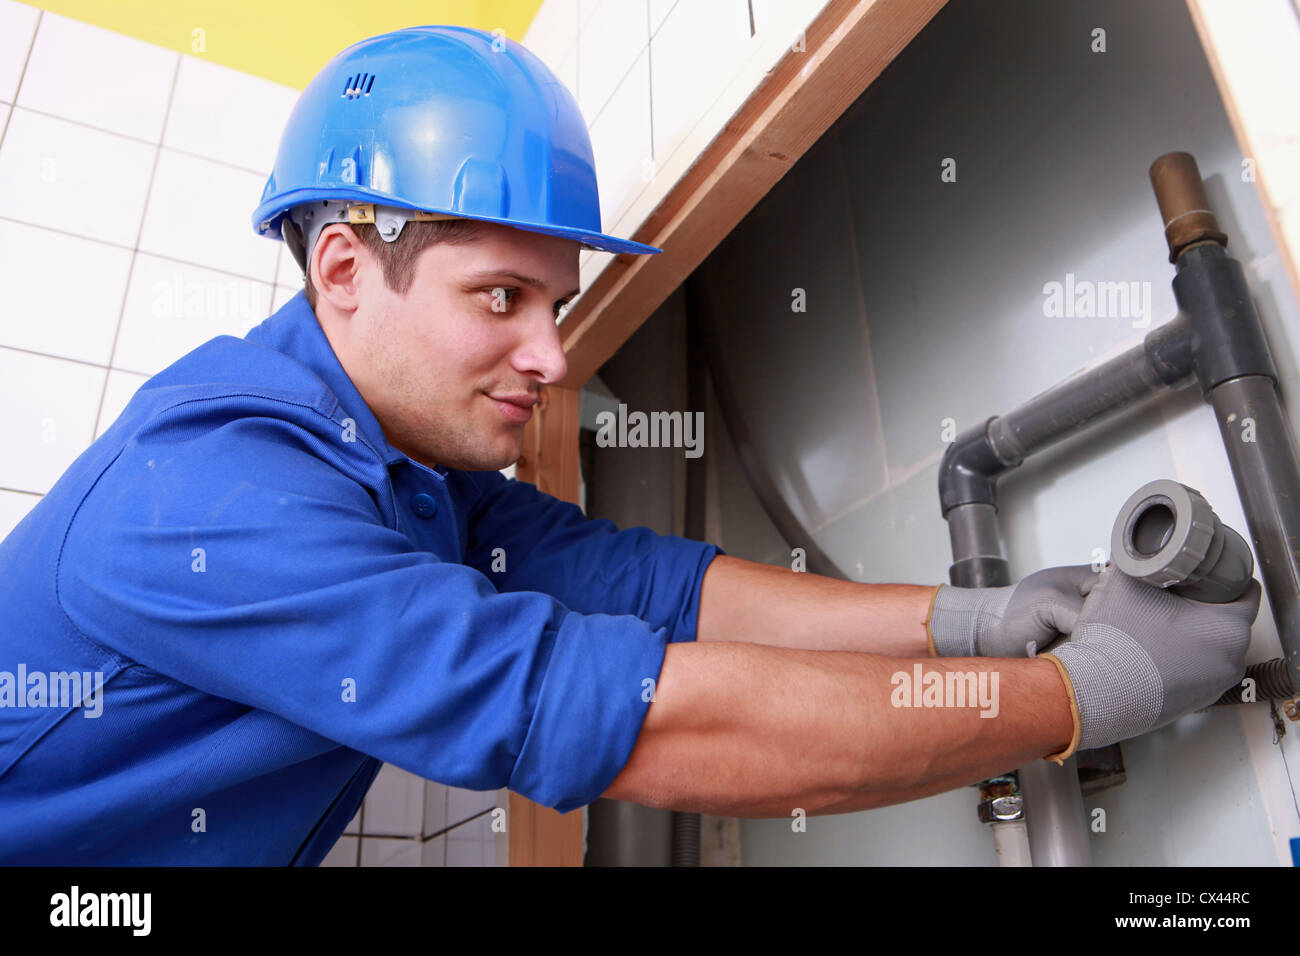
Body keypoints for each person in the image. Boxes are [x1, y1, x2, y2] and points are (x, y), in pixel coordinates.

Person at [0, 26, 1259, 864]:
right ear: (342, 268)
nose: (552, 358)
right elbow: (633, 721)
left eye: (555, 304)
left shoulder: (398, 464)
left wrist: (963, 621)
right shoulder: (215, 499)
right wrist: (1083, 694)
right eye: (502, 298)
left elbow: (652, 587)